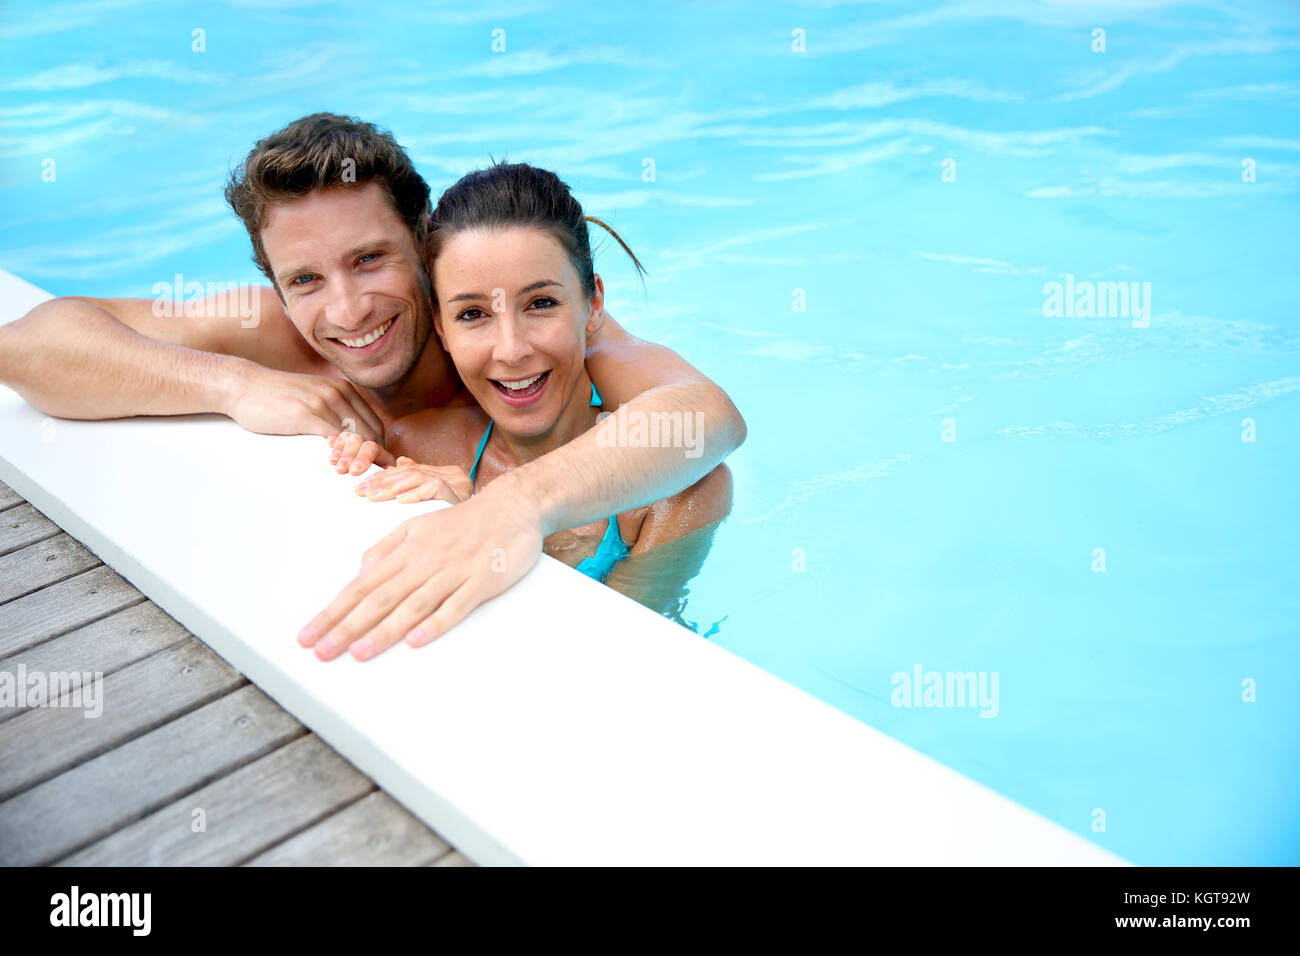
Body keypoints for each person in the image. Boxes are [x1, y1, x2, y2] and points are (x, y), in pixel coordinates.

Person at [0, 113, 746, 660]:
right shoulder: (279, 336)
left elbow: (705, 415)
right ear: (278, 287)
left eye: (368, 260)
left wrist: (510, 507)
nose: (348, 311)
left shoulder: (519, 341)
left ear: (423, 245)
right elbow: (30, 345)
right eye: (305, 279)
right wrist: (234, 386)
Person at [320, 162, 731, 626]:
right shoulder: (417, 448)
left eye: (541, 303)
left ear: (593, 305)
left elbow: (616, 657)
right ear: (441, 326)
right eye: (473, 314)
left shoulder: (675, 493)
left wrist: (486, 513)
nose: (511, 350)